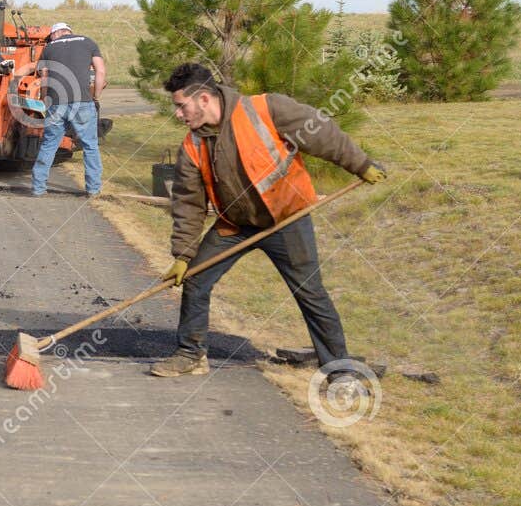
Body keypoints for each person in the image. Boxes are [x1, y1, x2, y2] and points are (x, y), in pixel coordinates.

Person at [150, 62, 386, 391]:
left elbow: (323, 134)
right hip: (236, 226)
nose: (178, 114)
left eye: (181, 106)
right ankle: (191, 355)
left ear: (203, 98)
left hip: (286, 219)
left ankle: (338, 369)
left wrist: (360, 164)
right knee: (195, 280)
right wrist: (183, 255)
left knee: (310, 293)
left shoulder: (266, 109)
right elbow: (189, 204)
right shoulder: (192, 146)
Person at [30, 22, 105, 197]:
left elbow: (44, 77)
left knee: (49, 145)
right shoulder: (88, 42)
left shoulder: (49, 48)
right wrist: (96, 96)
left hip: (56, 103)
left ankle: (38, 188)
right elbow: (100, 72)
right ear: (69, 31)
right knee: (90, 146)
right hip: (83, 101)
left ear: (55, 34)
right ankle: (93, 190)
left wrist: (44, 98)